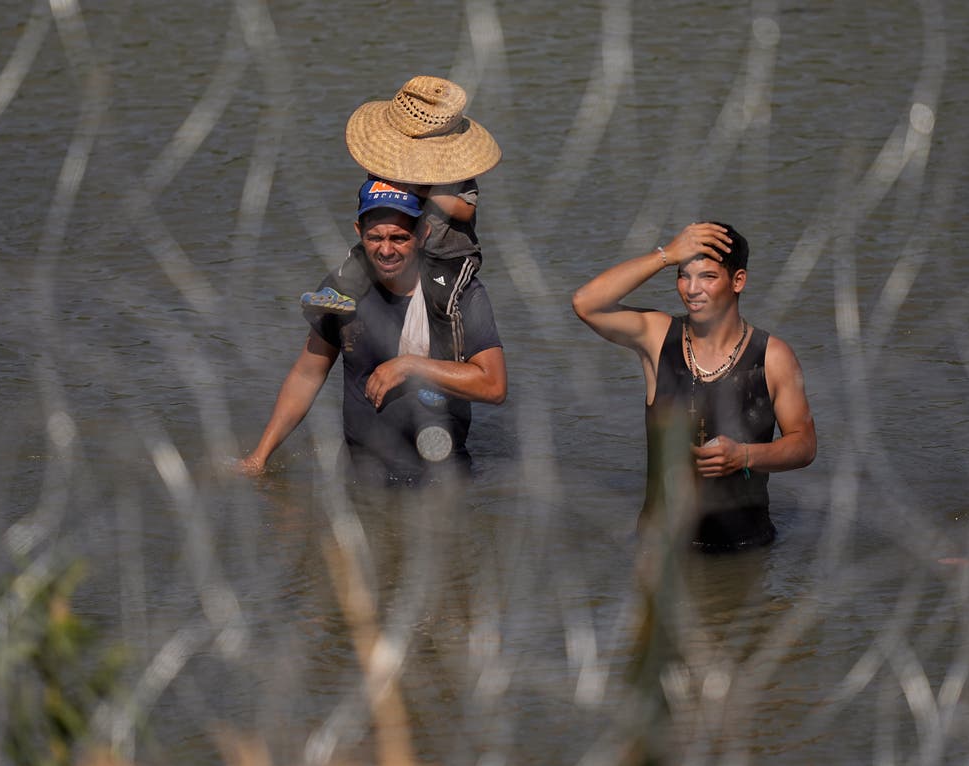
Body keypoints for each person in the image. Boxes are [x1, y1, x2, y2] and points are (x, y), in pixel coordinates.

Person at [239, 181, 506, 484]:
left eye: (399, 238)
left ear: (422, 235)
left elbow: (493, 385)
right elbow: (307, 374)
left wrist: (411, 365)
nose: (386, 249)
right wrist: (259, 457)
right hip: (357, 475)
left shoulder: (460, 295)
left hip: (437, 481)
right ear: (358, 232)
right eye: (375, 238)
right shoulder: (342, 290)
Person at [572, 222, 816, 552]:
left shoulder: (773, 357)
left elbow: (804, 445)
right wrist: (667, 254)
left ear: (738, 281)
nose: (692, 289)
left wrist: (744, 455)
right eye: (683, 275)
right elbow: (586, 303)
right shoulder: (657, 337)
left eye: (708, 277)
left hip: (744, 549)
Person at [302, 75, 501, 364]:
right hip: (404, 240)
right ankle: (336, 293)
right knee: (357, 258)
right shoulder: (387, 162)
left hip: (450, 254)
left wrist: (421, 188)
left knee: (445, 304)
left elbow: (464, 211)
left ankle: (449, 362)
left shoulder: (458, 172)